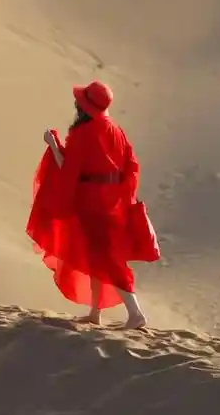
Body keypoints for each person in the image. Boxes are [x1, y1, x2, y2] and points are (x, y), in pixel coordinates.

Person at [26, 80, 160, 329]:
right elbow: (132, 165)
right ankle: (95, 312)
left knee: (107, 257)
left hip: (92, 200)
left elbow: (68, 169)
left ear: (84, 107)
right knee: (97, 254)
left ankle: (135, 313)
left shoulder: (83, 133)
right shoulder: (116, 130)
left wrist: (53, 145)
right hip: (113, 199)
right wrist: (123, 195)